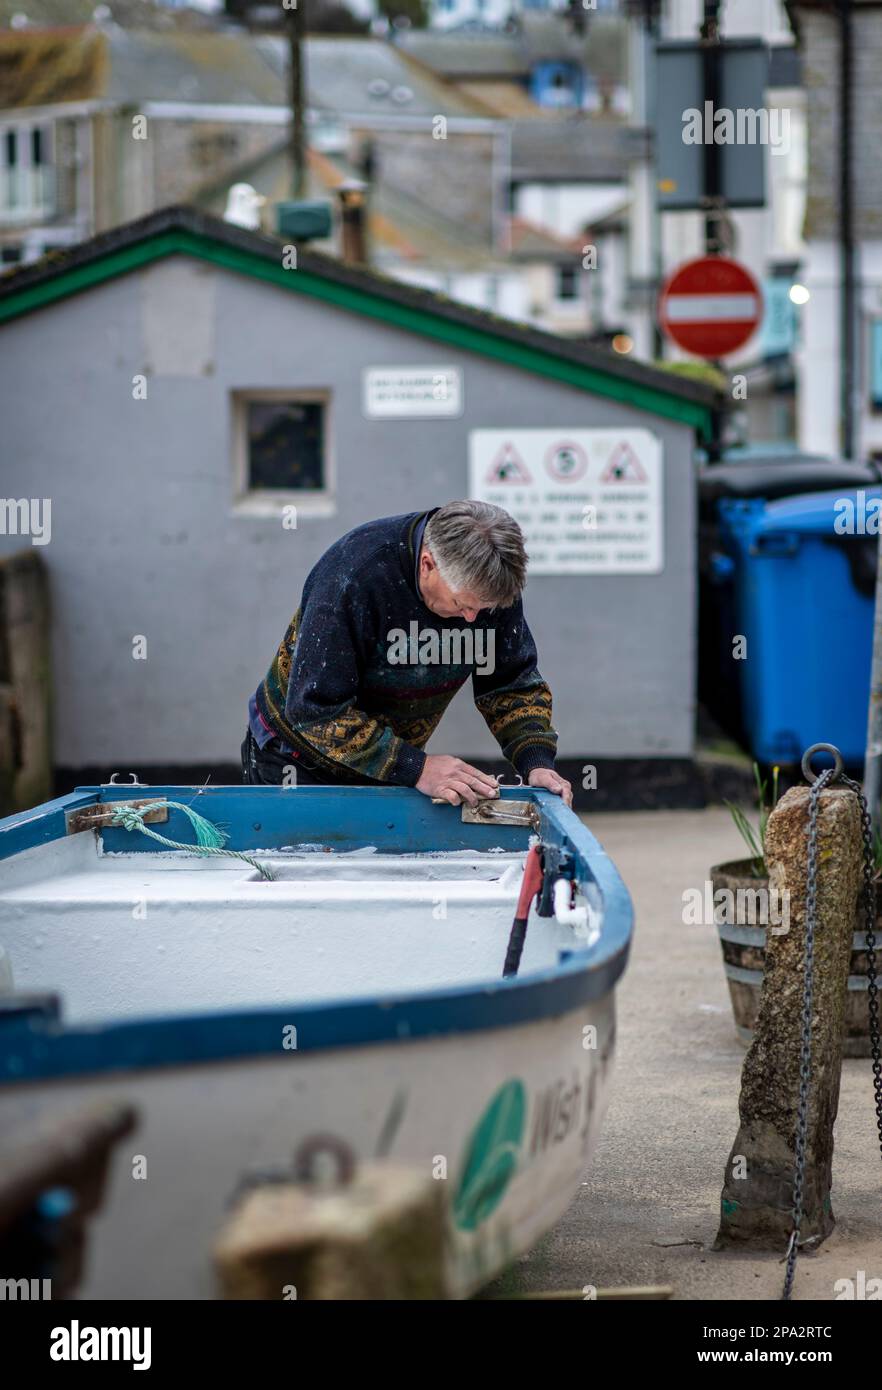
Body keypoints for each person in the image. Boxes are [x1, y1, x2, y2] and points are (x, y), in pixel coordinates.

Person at [242, 499, 573, 808]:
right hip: (296, 757)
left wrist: (535, 761)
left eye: (482, 609)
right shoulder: (353, 575)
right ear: (428, 565)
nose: (472, 619)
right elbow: (314, 711)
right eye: (461, 605)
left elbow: (510, 682)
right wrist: (418, 768)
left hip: (388, 761)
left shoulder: (490, 586)